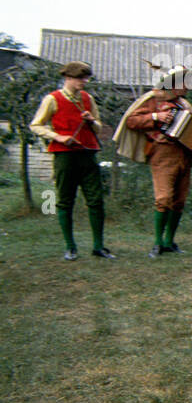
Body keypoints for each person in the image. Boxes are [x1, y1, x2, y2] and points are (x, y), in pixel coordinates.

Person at [115, 65, 192, 257]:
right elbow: (131, 121)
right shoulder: (153, 99)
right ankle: (157, 243)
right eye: (185, 82)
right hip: (162, 152)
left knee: (179, 200)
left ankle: (169, 241)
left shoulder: (186, 105)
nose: (189, 85)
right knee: (163, 199)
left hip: (184, 155)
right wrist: (156, 116)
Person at [29, 61, 113, 260]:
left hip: (88, 154)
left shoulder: (87, 98)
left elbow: (98, 128)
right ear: (68, 78)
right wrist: (58, 137)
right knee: (65, 201)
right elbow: (36, 125)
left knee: (96, 200)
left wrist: (91, 121)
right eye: (80, 78)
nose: (84, 82)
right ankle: (70, 247)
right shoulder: (52, 99)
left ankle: (98, 247)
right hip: (64, 155)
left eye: (85, 78)